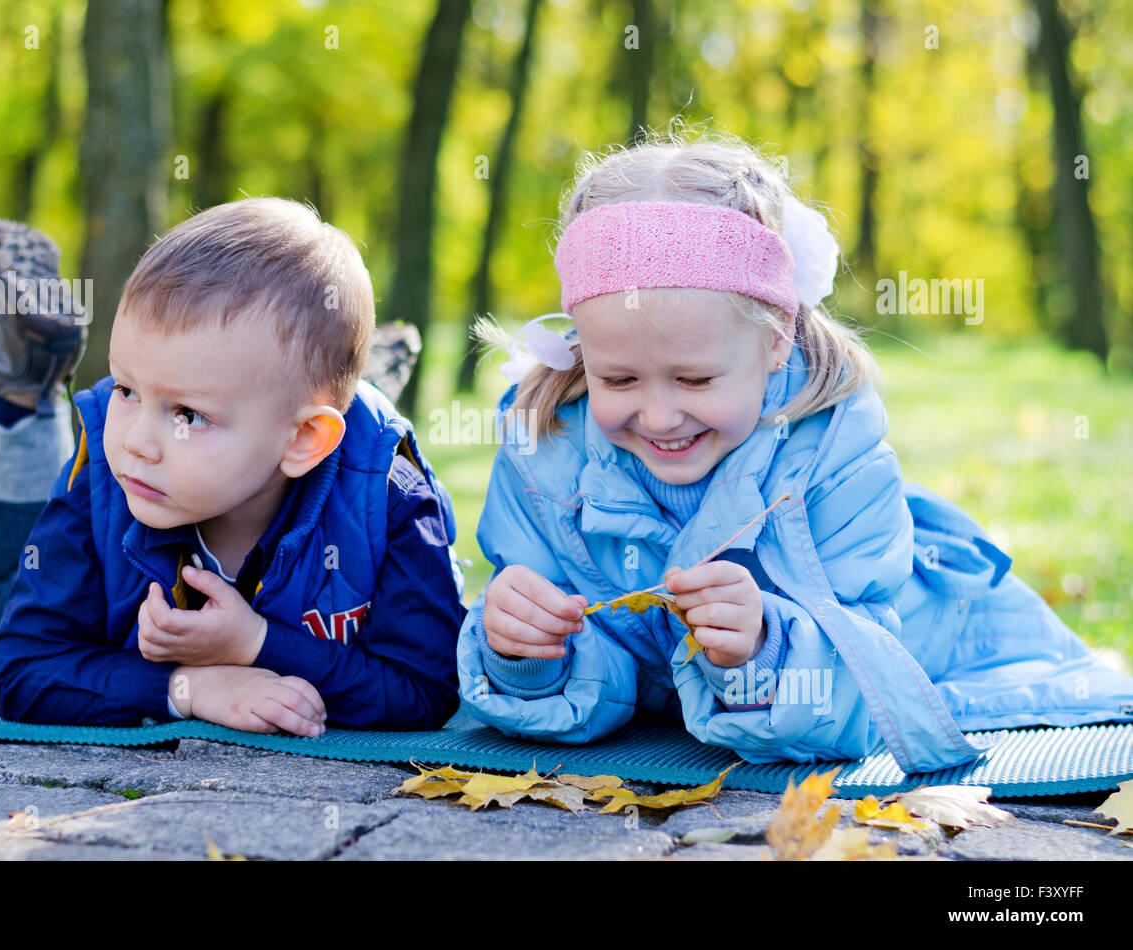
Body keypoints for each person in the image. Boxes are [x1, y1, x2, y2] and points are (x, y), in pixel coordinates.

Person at [457, 130, 1133, 774]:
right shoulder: (544, 451)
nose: (659, 414)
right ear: (582, 346)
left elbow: (866, 680)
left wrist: (763, 653)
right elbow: (594, 672)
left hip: (916, 629)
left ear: (776, 338)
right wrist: (525, 653)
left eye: (695, 379)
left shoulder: (835, 451)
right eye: (618, 378)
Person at [0, 198, 466, 735]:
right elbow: (22, 666)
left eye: (188, 414)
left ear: (303, 439)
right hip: (119, 515)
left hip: (327, 455)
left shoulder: (391, 497)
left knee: (327, 440)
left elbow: (426, 691)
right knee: (1, 598)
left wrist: (255, 644)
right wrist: (187, 687)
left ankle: (356, 392)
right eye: (127, 389)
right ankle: (24, 400)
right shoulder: (111, 468)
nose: (136, 441)